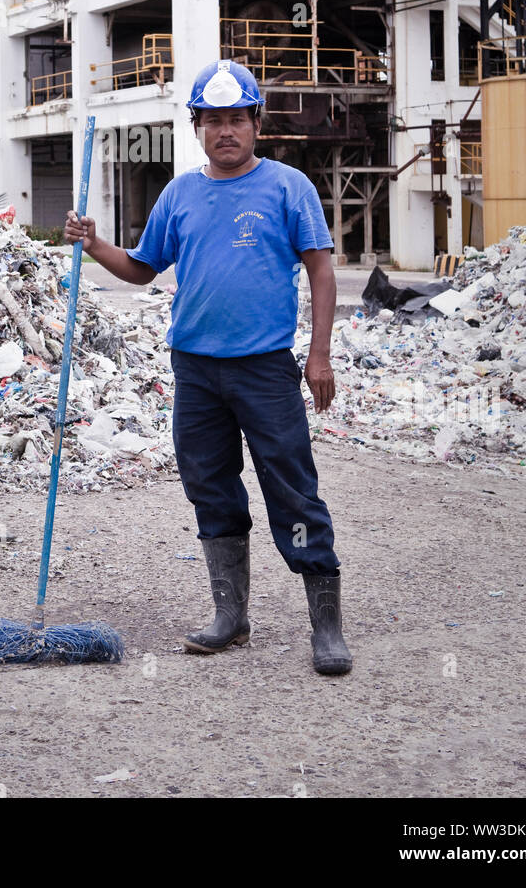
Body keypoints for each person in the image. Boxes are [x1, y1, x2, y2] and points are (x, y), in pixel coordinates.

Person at [64, 58, 352, 675]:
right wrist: (93, 244)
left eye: (237, 119)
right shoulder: (180, 194)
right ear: (196, 126)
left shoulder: (287, 187)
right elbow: (143, 268)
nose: (226, 131)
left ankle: (325, 629)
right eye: (213, 120)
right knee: (211, 490)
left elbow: (322, 269)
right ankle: (231, 618)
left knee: (292, 491)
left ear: (255, 123)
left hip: (265, 369)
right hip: (195, 370)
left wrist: (319, 354)